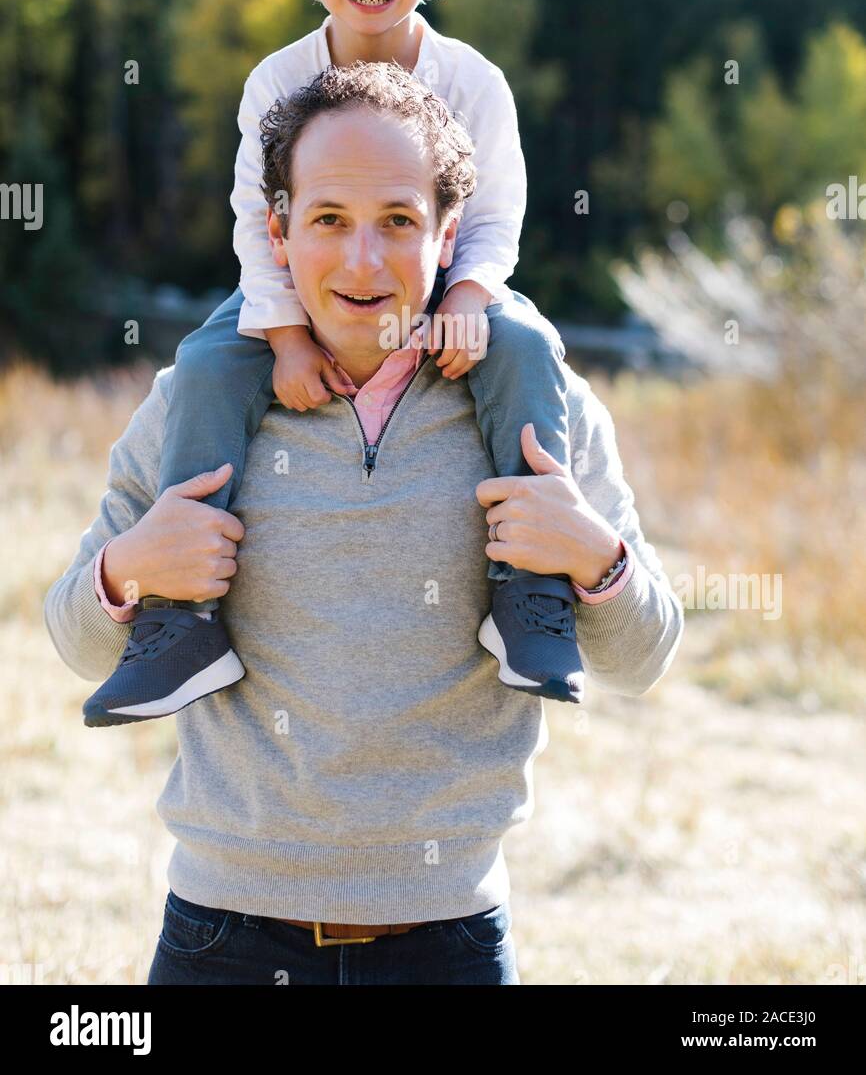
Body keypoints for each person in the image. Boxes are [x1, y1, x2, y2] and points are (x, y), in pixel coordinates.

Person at [44, 60, 684, 985]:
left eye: (398, 222)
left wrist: (597, 557)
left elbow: (645, 656)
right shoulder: (194, 403)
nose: (362, 261)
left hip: (449, 942)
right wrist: (130, 571)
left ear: (448, 232)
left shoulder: (542, 410)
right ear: (278, 231)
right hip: (222, 937)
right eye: (329, 221)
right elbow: (75, 642)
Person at [81, 0, 620, 727]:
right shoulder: (276, 82)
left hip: (459, 286)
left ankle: (531, 596)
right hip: (290, 293)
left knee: (527, 349)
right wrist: (285, 337)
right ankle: (179, 621)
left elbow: (495, 216)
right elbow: (260, 224)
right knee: (213, 364)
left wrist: (477, 299)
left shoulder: (474, 82)